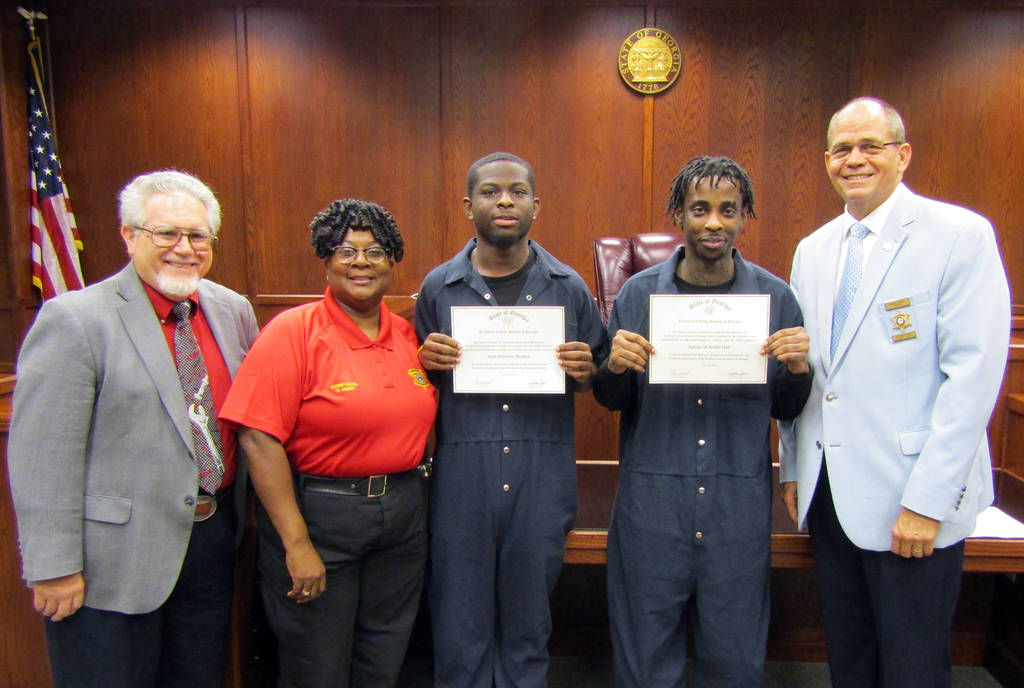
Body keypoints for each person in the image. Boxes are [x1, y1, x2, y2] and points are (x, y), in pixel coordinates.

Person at [779, 97, 1011, 688]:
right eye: (841, 149)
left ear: (902, 155)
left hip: (911, 502)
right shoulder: (815, 248)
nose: (853, 160)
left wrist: (928, 501)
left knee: (911, 667)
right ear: (826, 160)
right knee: (850, 661)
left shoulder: (959, 236)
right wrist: (791, 465)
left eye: (870, 146)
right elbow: (805, 365)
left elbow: (973, 378)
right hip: (830, 494)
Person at [7, 170, 259, 688]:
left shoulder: (232, 310)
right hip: (111, 563)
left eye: (197, 236)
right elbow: (43, 457)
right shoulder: (76, 319)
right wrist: (53, 565)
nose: (183, 248)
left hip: (211, 543)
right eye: (165, 233)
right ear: (129, 236)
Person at [592, 156, 812, 687]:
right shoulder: (639, 295)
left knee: (734, 659)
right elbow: (612, 397)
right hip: (653, 503)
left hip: (735, 504)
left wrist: (800, 367)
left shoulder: (776, 297)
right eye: (700, 209)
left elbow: (786, 406)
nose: (714, 221)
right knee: (644, 657)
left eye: (728, 210)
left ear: (744, 216)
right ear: (679, 215)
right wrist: (614, 365)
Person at [219, 199, 436, 688]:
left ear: (393, 262)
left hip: (402, 514)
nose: (361, 262)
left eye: (376, 252)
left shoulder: (405, 334)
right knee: (317, 667)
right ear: (325, 259)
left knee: (383, 657)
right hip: (321, 517)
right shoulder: (292, 332)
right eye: (346, 251)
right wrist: (297, 545)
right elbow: (257, 438)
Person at [415, 152, 608, 687]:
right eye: (491, 191)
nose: (505, 201)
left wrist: (587, 368)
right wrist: (427, 364)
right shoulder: (438, 288)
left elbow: (601, 370)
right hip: (462, 477)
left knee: (527, 629)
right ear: (467, 204)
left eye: (518, 192)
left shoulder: (568, 286)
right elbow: (422, 385)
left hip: (540, 476)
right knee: (459, 630)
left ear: (536, 205)